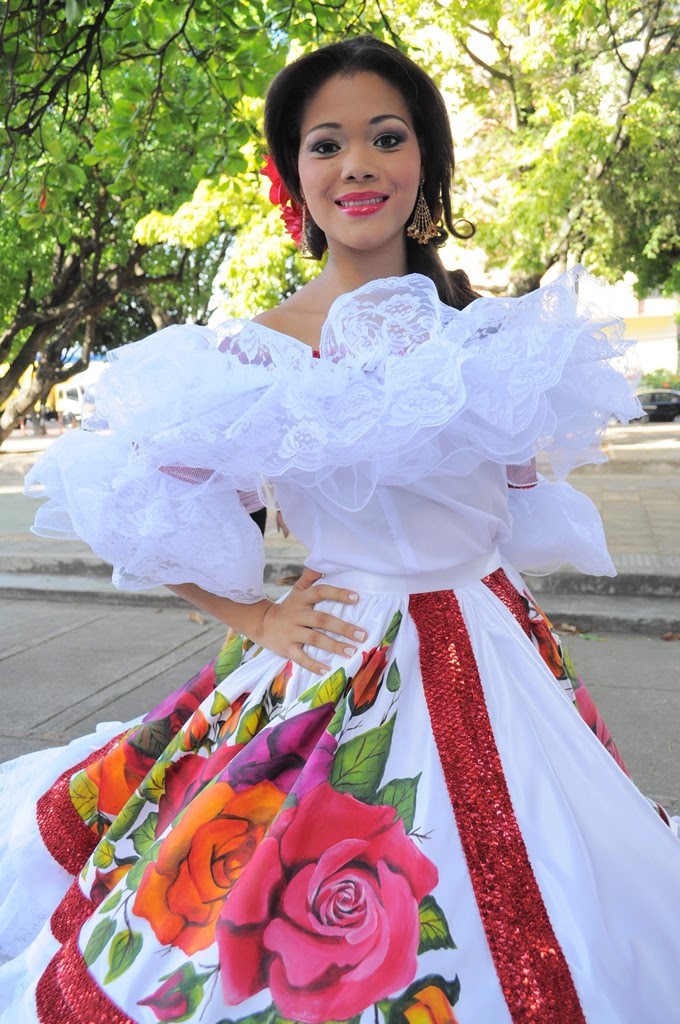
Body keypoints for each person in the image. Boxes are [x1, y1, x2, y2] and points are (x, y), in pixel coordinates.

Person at [1, 34, 679, 1024]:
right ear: (294, 177)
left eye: (385, 136)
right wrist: (254, 615)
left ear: (423, 163)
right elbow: (146, 508)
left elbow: (513, 506)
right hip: (341, 658)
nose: (356, 164)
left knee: (569, 872)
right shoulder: (254, 355)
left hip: (503, 654)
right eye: (326, 143)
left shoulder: (486, 343)